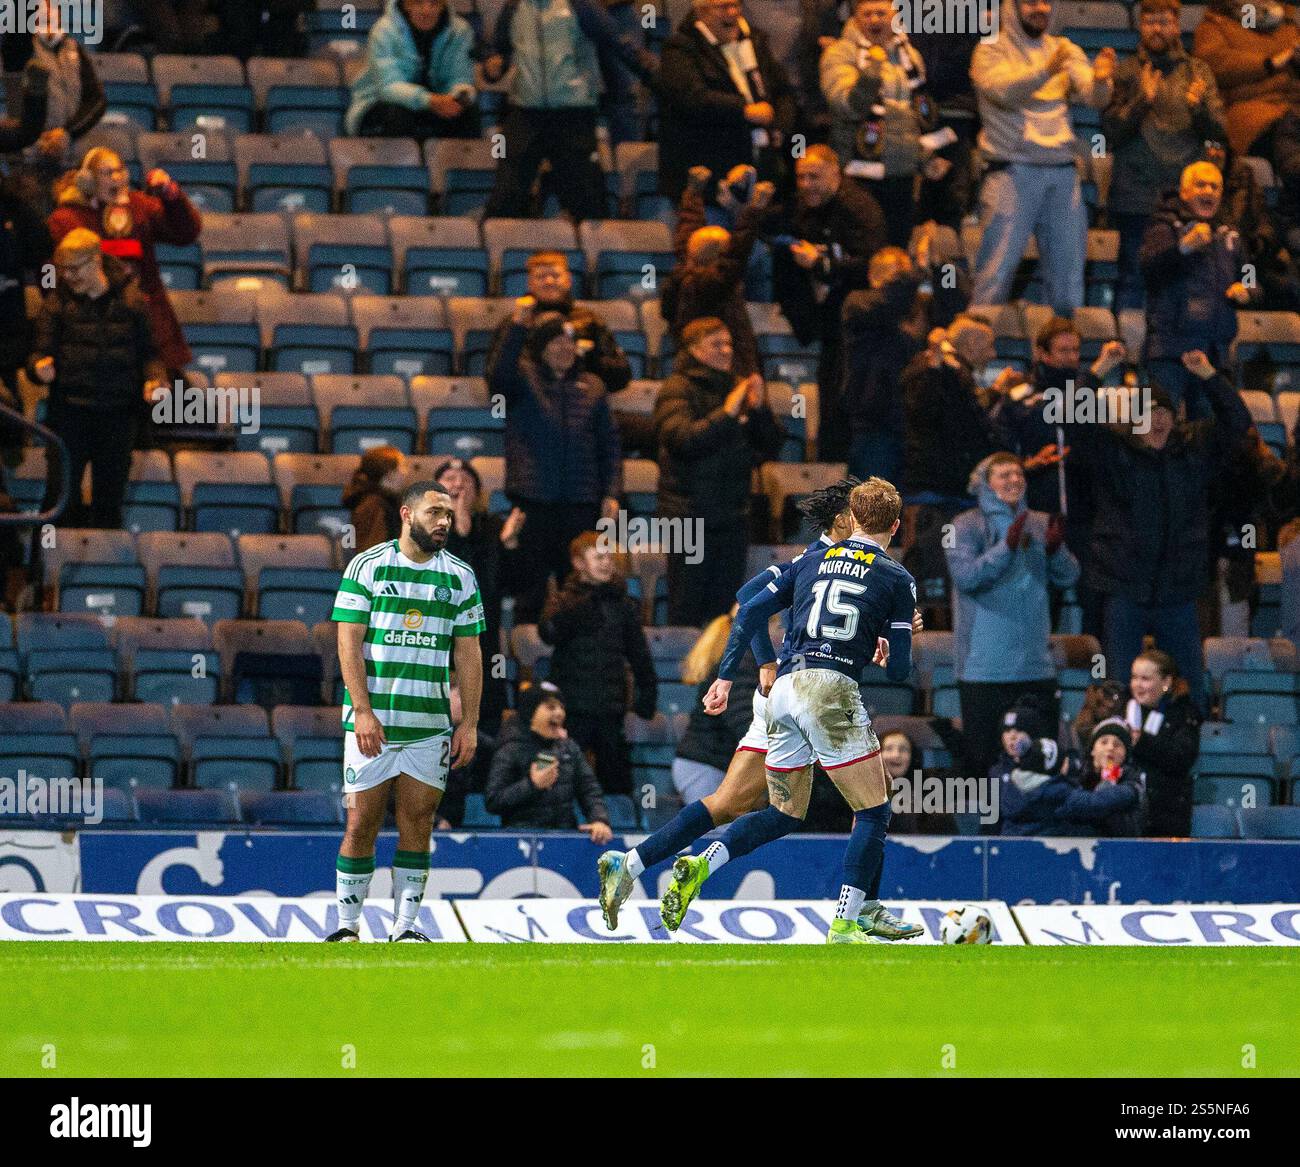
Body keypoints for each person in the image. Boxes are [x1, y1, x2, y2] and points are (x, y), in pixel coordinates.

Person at [597, 480, 920, 935]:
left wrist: (748, 670)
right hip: (815, 688)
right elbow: (749, 606)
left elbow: (750, 603)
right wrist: (753, 666)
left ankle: (633, 863)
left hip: (785, 692)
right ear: (846, 519)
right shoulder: (835, 560)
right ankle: (859, 911)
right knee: (869, 801)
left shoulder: (811, 561)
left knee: (741, 806)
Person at [327, 479, 485, 943]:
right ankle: (347, 927)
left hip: (429, 726)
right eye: (435, 512)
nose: (444, 522)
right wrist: (363, 711)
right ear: (406, 514)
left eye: (449, 515)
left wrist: (470, 723)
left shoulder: (460, 576)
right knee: (361, 823)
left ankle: (405, 927)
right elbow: (347, 641)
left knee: (418, 823)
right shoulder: (367, 566)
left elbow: (470, 654)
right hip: (372, 725)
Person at [1060, 350, 1251, 707]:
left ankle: (1182, 749)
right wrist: (1099, 370)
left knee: (1189, 688)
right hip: (1124, 588)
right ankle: (1120, 751)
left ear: (1176, 415)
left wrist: (1209, 376)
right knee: (1120, 685)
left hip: (1178, 590)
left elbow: (1237, 421)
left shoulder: (1193, 450)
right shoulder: (1114, 452)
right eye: (1148, 412)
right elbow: (1072, 418)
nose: (1157, 420)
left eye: (1164, 411)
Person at [969, 0, 1115, 314]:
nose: (1040, 8)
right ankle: (972, 359)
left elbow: (1094, 98)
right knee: (993, 280)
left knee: (1068, 288)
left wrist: (1102, 81)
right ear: (1012, 7)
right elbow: (1004, 92)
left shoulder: (1064, 47)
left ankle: (1061, 361)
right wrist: (1047, 69)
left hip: (1063, 174)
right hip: (1011, 172)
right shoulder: (989, 50)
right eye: (1031, 2)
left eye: (1046, 2)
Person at [946, 453, 1079, 784]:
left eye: (1019, 474)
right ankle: (987, 834)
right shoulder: (961, 525)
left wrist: (1056, 551)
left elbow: (1070, 576)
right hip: (983, 670)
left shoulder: (1040, 521)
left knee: (1039, 763)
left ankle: (1037, 831)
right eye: (1004, 475)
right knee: (984, 765)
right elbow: (966, 577)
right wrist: (1006, 546)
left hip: (1036, 666)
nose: (1014, 481)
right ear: (986, 484)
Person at [490, 303, 623, 622]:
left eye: (569, 341)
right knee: (530, 588)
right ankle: (526, 662)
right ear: (540, 347)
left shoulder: (594, 385)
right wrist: (517, 329)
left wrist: (612, 492)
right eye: (555, 342)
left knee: (579, 586)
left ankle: (574, 661)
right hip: (532, 503)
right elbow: (498, 377)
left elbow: (610, 445)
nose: (565, 348)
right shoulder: (522, 378)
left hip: (581, 504)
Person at [29, 230, 168, 530]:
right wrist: (38, 367)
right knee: (60, 500)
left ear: (96, 262)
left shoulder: (132, 300)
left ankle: (102, 571)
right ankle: (49, 566)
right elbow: (39, 351)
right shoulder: (56, 303)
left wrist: (155, 380)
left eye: (75, 269)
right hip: (69, 415)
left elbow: (150, 355)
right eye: (63, 269)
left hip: (117, 416)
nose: (68, 276)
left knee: (109, 502)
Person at [652, 316, 782, 627]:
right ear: (695, 350)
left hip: (732, 517)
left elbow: (770, 448)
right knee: (687, 607)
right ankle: (685, 673)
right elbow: (682, 439)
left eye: (728, 344)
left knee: (723, 614)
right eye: (716, 345)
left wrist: (760, 408)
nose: (726, 351)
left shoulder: (737, 390)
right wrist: (727, 413)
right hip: (688, 517)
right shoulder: (677, 388)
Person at [765, 143, 887, 461]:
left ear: (835, 173)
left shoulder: (859, 209)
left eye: (814, 177)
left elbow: (873, 265)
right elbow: (773, 229)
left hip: (857, 327)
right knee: (829, 398)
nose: (806, 185)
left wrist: (820, 265)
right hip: (828, 324)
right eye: (801, 177)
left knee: (842, 400)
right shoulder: (803, 205)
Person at [1102, 0, 1226, 309]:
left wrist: (1199, 109)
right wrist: (1143, 100)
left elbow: (1219, 133)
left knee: (1181, 285)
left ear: (1178, 25)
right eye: (1150, 21)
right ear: (1140, 26)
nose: (1157, 28)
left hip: (1184, 203)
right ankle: (1127, 355)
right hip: (1134, 198)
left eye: (1165, 21)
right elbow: (1110, 134)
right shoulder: (1127, 71)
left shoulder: (1199, 72)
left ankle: (1174, 357)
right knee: (1132, 280)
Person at [482, 0, 650, 220]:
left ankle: (594, 253)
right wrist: (492, 67)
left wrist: (661, 79)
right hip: (525, 111)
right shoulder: (514, 6)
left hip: (573, 114)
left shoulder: (581, 5)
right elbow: (499, 49)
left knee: (587, 202)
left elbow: (620, 44)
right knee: (505, 197)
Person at [49, 147, 202, 381]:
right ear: (87, 180)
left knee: (179, 409)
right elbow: (49, 275)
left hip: (149, 330)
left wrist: (171, 195)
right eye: (107, 173)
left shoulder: (138, 206)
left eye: (120, 171)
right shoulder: (66, 220)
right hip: (93, 333)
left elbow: (186, 233)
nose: (117, 178)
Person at [539, 531, 658, 795]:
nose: (607, 563)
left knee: (616, 779)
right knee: (565, 777)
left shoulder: (623, 605)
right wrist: (579, 607)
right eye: (599, 557)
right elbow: (547, 633)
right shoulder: (563, 600)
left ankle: (619, 828)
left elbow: (638, 653)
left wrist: (647, 693)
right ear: (579, 563)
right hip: (571, 707)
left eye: (610, 557)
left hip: (609, 707)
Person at [819, 0, 942, 246]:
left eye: (881, 13)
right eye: (867, 14)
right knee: (866, 248)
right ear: (855, 19)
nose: (874, 20)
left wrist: (925, 157)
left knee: (896, 254)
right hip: (859, 175)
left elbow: (914, 116)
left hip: (902, 175)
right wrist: (872, 69)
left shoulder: (910, 55)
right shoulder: (841, 53)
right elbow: (848, 106)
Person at [1140, 160, 1254, 417]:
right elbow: (1148, 268)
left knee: (1208, 436)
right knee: (1152, 429)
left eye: (1215, 186)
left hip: (1214, 355)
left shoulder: (1230, 234)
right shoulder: (1165, 226)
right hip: (1169, 351)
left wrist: (1247, 291)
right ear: (1184, 192)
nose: (1209, 191)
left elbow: (1251, 276)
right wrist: (1183, 248)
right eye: (1201, 184)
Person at [657, 0, 798, 203]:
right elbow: (692, 99)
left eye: (736, 5)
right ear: (702, 12)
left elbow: (782, 90)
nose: (733, 13)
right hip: (711, 178)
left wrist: (781, 125)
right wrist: (745, 110)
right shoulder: (679, 48)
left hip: (760, 170)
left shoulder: (754, 41)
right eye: (723, 7)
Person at [435, 457, 524, 733]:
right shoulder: (424, 530)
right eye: (449, 479)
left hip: (482, 637)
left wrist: (509, 545)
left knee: (485, 719)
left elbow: (508, 584)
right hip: (436, 638)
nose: (458, 484)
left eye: (467, 481)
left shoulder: (492, 527)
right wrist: (458, 531)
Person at [662, 165, 774, 377]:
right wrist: (753, 211)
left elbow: (688, 234)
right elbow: (736, 256)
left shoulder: (686, 271)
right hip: (724, 371)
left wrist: (692, 195)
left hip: (695, 367)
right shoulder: (711, 284)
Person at [1194, 0, 1300, 223]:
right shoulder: (1215, 25)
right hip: (1249, 117)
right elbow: (1215, 65)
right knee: (1286, 133)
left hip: (1292, 111)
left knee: (1290, 128)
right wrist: (1270, 63)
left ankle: (1289, 213)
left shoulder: (1288, 23)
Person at [484, 251, 631, 395]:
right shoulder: (515, 324)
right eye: (541, 277)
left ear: (568, 280)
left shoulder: (590, 321)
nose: (549, 281)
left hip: (581, 402)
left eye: (555, 275)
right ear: (530, 284)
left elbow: (620, 378)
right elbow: (496, 380)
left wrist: (588, 357)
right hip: (529, 404)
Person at [485, 681, 613, 840]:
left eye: (561, 707)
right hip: (521, 840)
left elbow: (589, 789)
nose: (560, 713)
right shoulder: (510, 749)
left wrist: (599, 819)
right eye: (551, 707)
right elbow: (493, 801)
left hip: (565, 838)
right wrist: (532, 785)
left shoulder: (569, 748)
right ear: (530, 713)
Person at [4, 0, 104, 189]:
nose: (48, 11)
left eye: (52, 6)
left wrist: (67, 133)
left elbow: (96, 100)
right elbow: (17, 27)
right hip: (29, 159)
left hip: (70, 157)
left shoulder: (73, 48)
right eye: (41, 6)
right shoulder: (19, 48)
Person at [345, 0, 479, 140]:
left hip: (437, 103)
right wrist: (430, 100)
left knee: (467, 112)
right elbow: (388, 87)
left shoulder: (461, 31)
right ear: (406, 4)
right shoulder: (383, 30)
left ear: (443, 5)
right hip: (378, 104)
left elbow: (461, 78)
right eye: (418, 3)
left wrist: (458, 98)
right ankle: (394, 162)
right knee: (397, 113)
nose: (427, 10)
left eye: (434, 3)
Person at [1123, 648, 1200, 836]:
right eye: (1134, 678)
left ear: (1166, 682)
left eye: (1145, 679)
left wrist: (1141, 741)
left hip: (1166, 818)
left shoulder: (1183, 713)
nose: (1137, 685)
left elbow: (1181, 758)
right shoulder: (1122, 708)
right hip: (1126, 816)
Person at [343, 446, 406, 553]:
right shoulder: (374, 506)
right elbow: (372, 554)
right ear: (390, 474)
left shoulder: (383, 502)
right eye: (402, 467)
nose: (405, 472)